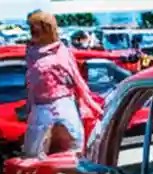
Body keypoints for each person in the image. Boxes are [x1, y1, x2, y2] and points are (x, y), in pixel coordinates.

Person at [23, 11, 101, 159]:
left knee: (72, 155)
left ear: (47, 27)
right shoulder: (31, 52)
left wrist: (91, 104)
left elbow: (77, 80)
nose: (33, 30)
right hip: (41, 108)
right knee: (34, 158)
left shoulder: (61, 51)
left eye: (36, 26)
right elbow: (31, 84)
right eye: (31, 27)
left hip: (63, 104)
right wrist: (29, 107)